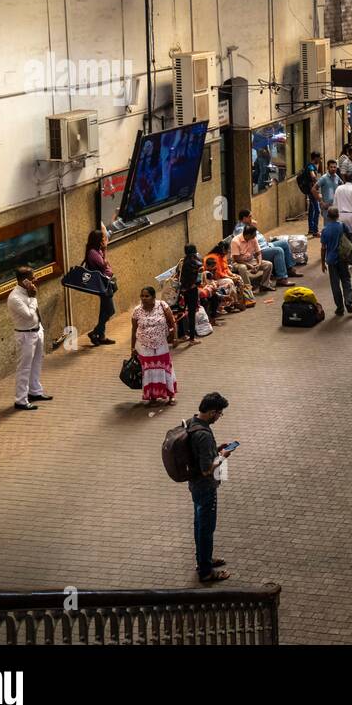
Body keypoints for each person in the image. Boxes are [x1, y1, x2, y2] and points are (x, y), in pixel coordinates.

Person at [187, 391, 235, 582]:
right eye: (219, 413)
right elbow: (207, 469)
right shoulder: (204, 434)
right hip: (205, 486)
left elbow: (199, 455)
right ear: (212, 411)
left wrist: (215, 450)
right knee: (206, 528)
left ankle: (203, 559)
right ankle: (206, 571)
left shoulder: (193, 423)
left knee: (200, 524)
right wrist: (223, 456)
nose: (219, 417)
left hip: (195, 485)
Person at [7, 266, 51, 411]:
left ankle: (35, 391)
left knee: (37, 363)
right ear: (24, 281)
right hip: (25, 335)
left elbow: (34, 313)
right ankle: (20, 400)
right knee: (24, 368)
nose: (35, 280)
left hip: (37, 331)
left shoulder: (29, 292)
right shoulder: (15, 298)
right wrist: (33, 298)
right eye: (33, 278)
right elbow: (28, 315)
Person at [131, 285, 177, 405]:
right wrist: (132, 347)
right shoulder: (137, 311)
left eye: (147, 296)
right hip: (144, 346)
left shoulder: (162, 306)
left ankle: (171, 395)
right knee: (149, 371)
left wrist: (175, 338)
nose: (144, 298)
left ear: (153, 297)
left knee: (165, 368)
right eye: (142, 296)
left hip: (161, 344)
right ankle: (153, 397)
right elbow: (134, 330)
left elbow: (172, 323)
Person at [233, 211, 300, 283]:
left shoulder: (248, 225)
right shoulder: (241, 230)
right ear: (244, 218)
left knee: (284, 243)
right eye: (250, 216)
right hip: (260, 250)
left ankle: (289, 269)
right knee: (278, 250)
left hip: (266, 245)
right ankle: (281, 278)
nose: (252, 219)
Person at [83, 228, 117, 346]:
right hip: (102, 285)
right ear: (98, 240)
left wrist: (103, 250)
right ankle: (95, 332)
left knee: (104, 311)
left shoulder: (98, 250)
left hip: (106, 283)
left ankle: (101, 336)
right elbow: (103, 264)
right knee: (110, 310)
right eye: (103, 238)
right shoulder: (92, 252)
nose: (104, 239)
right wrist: (105, 249)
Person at [320, 206, 352, 316]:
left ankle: (339, 308)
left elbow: (323, 248)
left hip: (331, 260)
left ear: (328, 217)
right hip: (343, 258)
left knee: (335, 285)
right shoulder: (342, 225)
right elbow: (351, 239)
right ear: (338, 216)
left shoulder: (325, 230)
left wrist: (322, 263)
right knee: (346, 280)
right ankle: (348, 301)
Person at [231, 225, 275, 292]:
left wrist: (259, 264)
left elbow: (258, 253)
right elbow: (236, 258)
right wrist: (249, 266)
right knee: (242, 268)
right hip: (238, 262)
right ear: (248, 235)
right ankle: (248, 289)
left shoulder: (253, 238)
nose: (255, 237)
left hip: (251, 260)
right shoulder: (235, 241)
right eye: (253, 235)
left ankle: (264, 285)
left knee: (268, 264)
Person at [178, 243, 204, 345]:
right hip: (191, 290)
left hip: (182, 291)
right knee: (191, 314)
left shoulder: (183, 261)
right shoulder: (194, 262)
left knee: (181, 312)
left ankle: (182, 335)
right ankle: (192, 339)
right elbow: (198, 276)